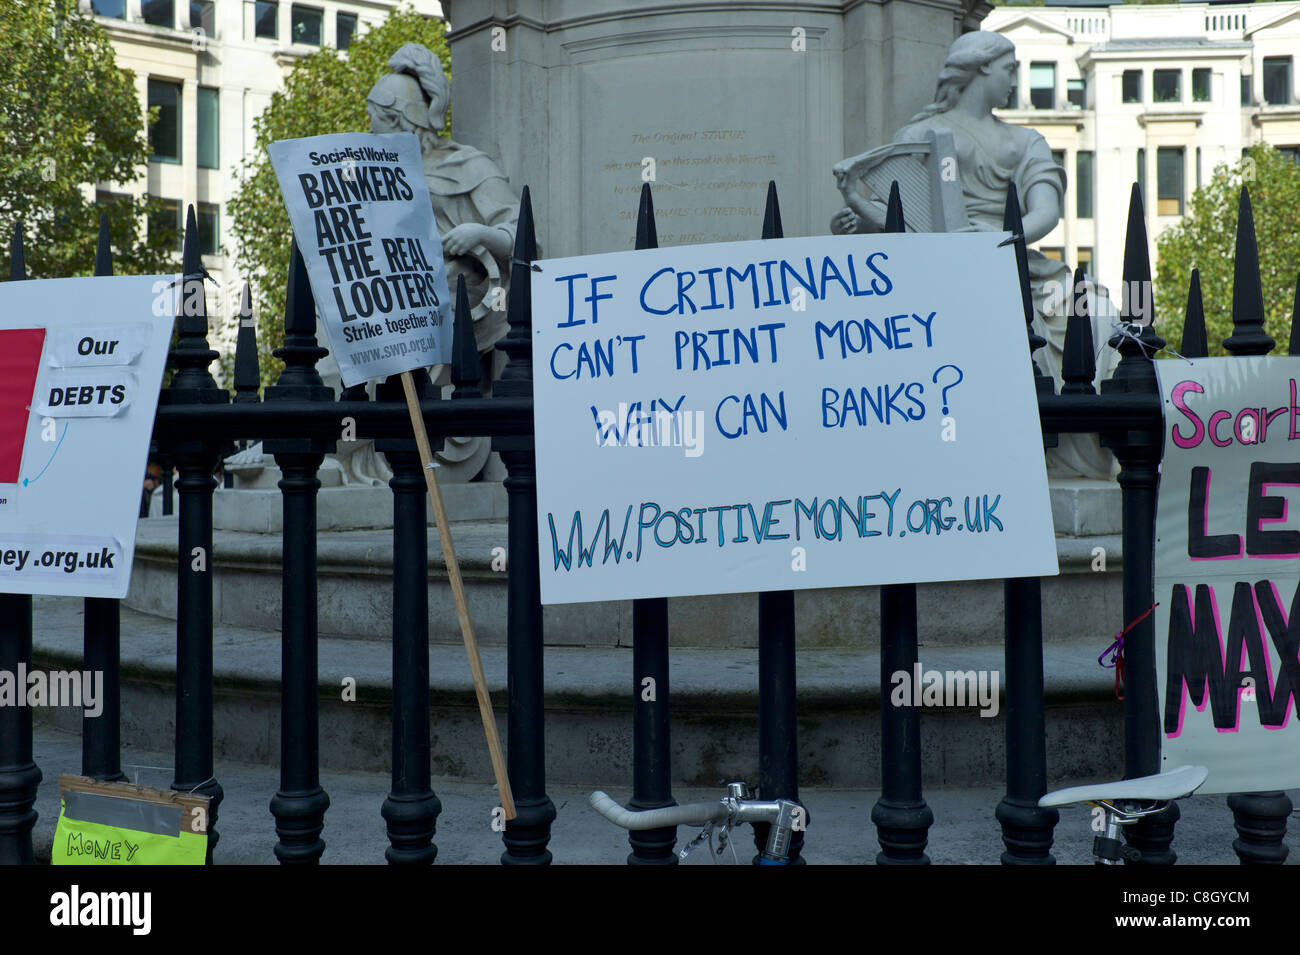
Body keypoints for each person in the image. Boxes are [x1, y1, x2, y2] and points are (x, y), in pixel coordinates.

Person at [831, 31, 1119, 479]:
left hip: (1016, 259)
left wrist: (998, 240)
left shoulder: (1025, 142)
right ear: (982, 67)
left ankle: (1076, 457)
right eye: (1008, 68)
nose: (1014, 80)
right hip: (946, 266)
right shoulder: (920, 135)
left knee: (1100, 312)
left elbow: (1045, 213)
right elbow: (906, 222)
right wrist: (860, 216)